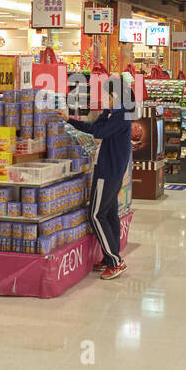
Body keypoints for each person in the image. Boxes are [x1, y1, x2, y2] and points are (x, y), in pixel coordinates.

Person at [58, 82, 132, 280]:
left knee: (96, 214)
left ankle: (115, 262)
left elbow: (99, 132)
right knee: (110, 214)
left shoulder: (121, 115)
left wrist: (103, 117)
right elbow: (94, 128)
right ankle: (111, 257)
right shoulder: (113, 113)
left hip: (108, 172)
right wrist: (70, 120)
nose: (105, 99)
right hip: (111, 170)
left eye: (108, 96)